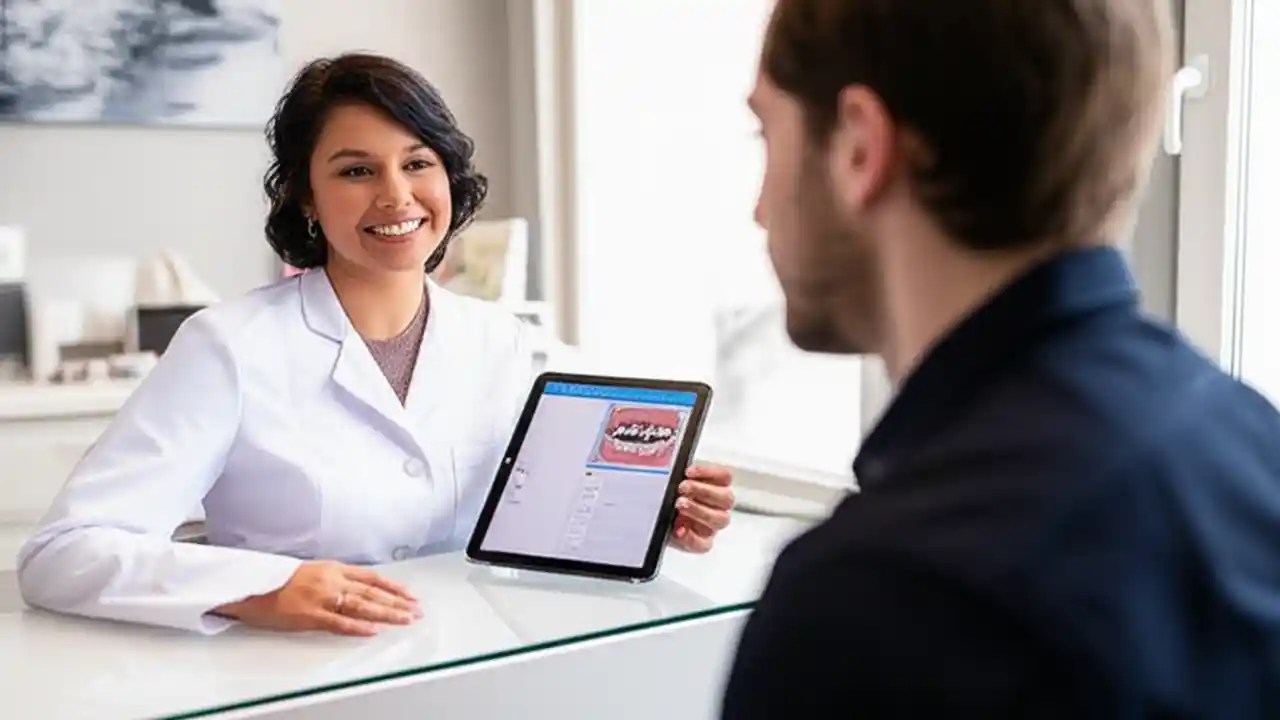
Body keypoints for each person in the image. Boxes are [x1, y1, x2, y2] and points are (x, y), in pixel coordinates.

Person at [17, 54, 735, 637]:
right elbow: (61, 555)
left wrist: (642, 516)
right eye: (357, 171)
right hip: (289, 685)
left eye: (418, 163)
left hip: (469, 670)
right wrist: (267, 587)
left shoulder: (503, 343)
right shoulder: (228, 346)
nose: (397, 196)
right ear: (304, 195)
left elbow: (527, 530)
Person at [722, 1, 1280, 718]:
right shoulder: (1245, 437)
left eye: (766, 132)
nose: (760, 208)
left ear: (860, 147)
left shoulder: (874, 606)